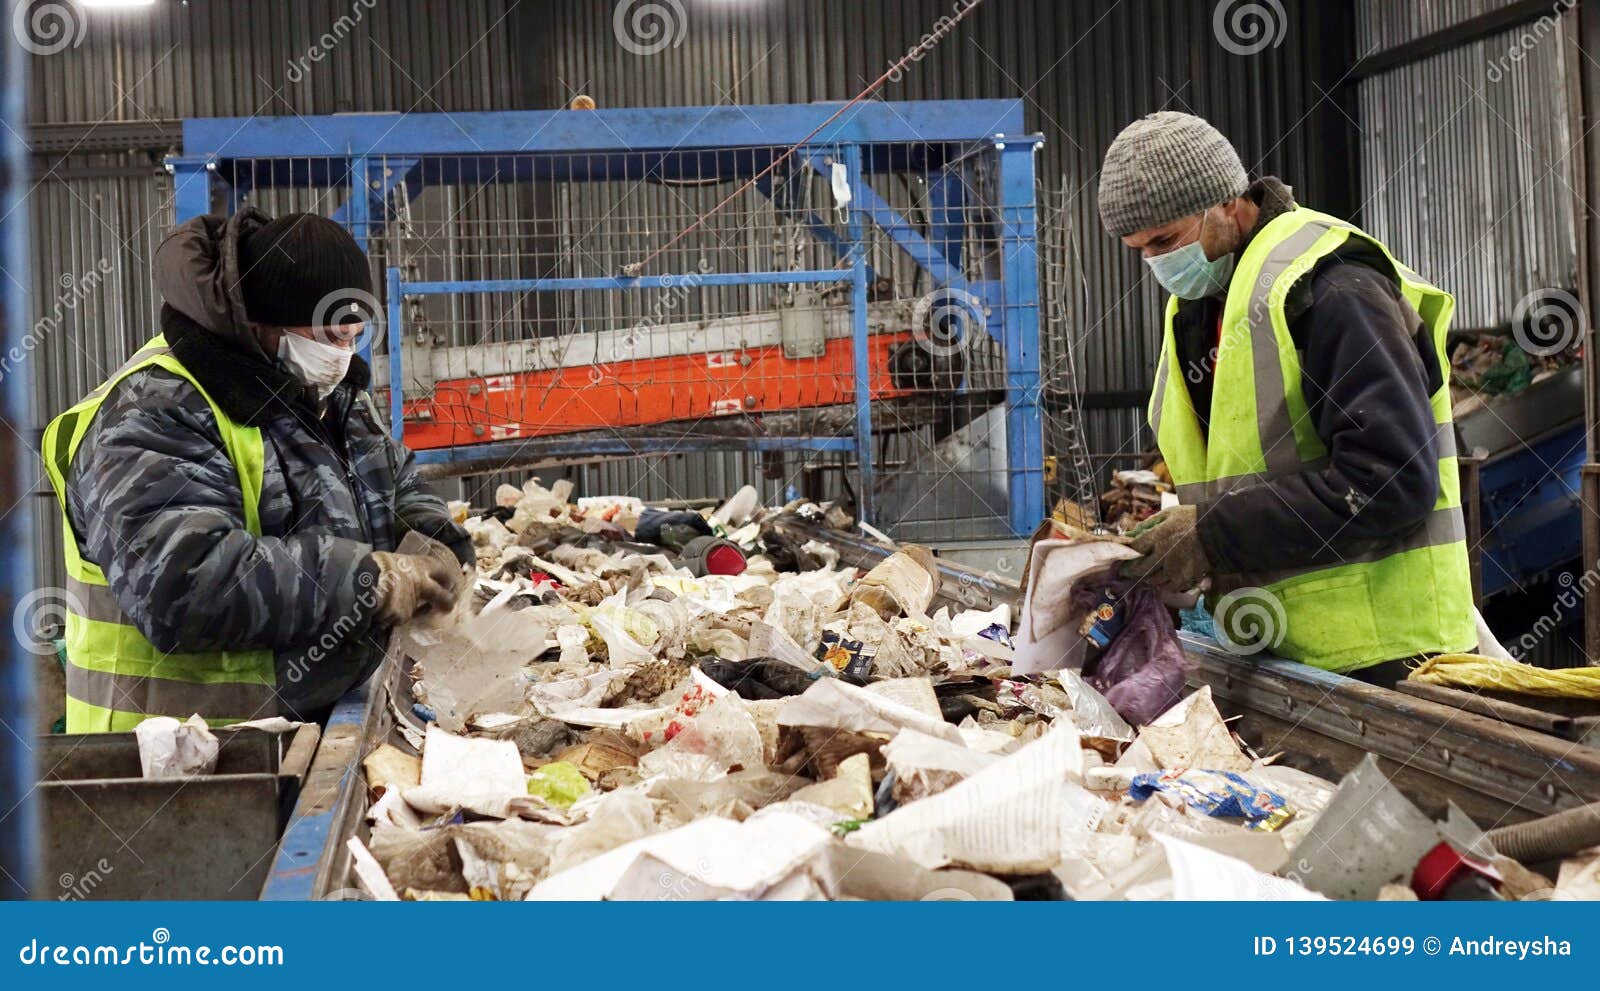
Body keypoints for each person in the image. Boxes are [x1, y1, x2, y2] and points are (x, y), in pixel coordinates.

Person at [42, 209, 474, 732]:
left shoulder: (320, 391)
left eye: (355, 336)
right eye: (332, 337)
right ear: (260, 323)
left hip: (289, 736)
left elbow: (391, 474)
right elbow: (183, 584)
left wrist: (427, 533)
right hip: (172, 766)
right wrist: (367, 580)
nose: (344, 355)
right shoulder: (153, 412)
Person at [1096, 111, 1474, 682]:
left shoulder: (1333, 287)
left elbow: (1393, 481)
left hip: (1388, 659)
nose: (1156, 263)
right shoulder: (1204, 308)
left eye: (1165, 240)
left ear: (1227, 201)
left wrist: (1211, 534)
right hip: (1278, 653)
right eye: (1139, 250)